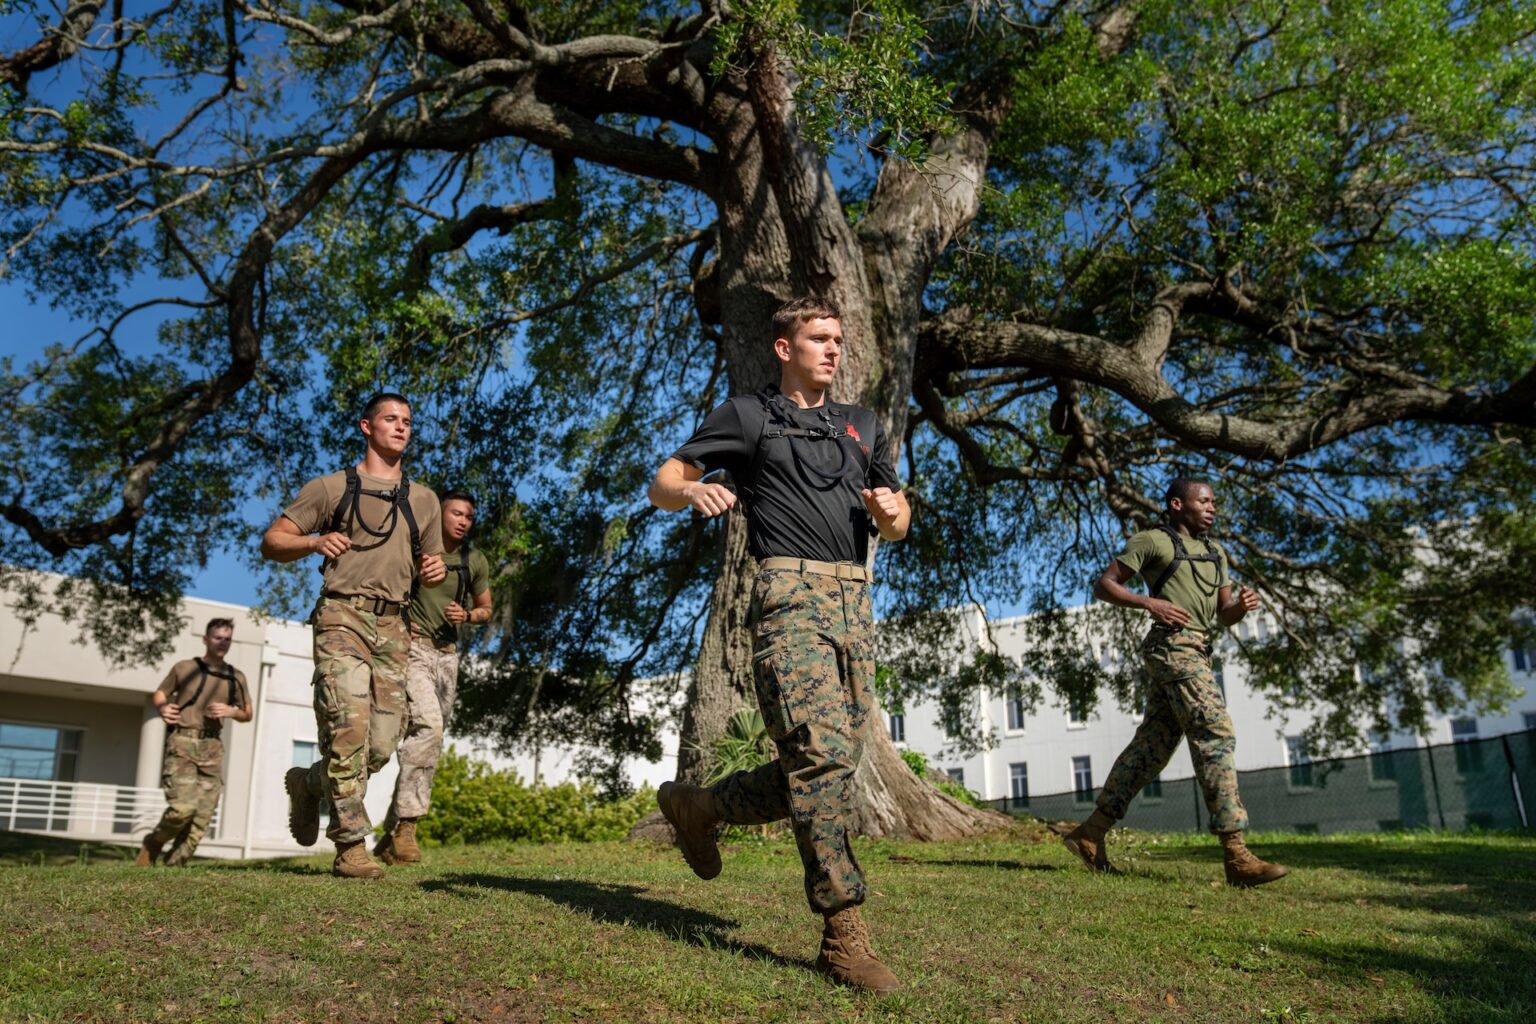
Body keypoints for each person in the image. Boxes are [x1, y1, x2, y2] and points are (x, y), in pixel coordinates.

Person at [647, 296, 911, 992]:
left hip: (854, 600)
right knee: (820, 758)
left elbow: (898, 516)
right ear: (784, 347)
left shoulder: (861, 425)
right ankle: (843, 931)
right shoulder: (748, 415)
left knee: (828, 762)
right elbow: (663, 481)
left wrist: (891, 511)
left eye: (838, 340)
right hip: (787, 594)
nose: (833, 350)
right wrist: (694, 491)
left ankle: (699, 807)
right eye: (819, 338)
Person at [1063, 477, 1288, 887]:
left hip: (1199, 648)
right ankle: (1236, 854)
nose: (1212, 508)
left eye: (1214, 502)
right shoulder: (1152, 541)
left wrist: (1241, 606)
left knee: (1153, 747)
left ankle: (1091, 833)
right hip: (1171, 648)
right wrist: (1149, 602)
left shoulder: (1217, 552)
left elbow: (1223, 614)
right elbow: (1104, 584)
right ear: (1177, 504)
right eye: (1203, 501)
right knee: (1214, 730)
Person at [261, 392, 446, 879]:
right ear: (366, 427)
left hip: (395, 624)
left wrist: (432, 568)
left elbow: (432, 565)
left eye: (408, 420)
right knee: (348, 728)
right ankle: (350, 846)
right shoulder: (330, 488)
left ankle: (308, 783)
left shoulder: (425, 500)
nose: (402, 427)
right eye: (391, 419)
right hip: (343, 616)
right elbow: (273, 541)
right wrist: (314, 540)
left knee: (381, 746)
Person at [375, 489, 493, 865]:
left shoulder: (474, 560)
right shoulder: (414, 550)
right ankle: (408, 826)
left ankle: (392, 833)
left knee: (427, 742)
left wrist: (469, 617)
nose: (462, 520)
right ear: (438, 514)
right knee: (429, 729)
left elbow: (486, 608)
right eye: (456, 513)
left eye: (469, 516)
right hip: (412, 649)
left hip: (447, 657)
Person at [136, 618, 252, 866]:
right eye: (218, 638)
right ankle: (154, 842)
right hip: (183, 742)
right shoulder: (184, 668)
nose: (223, 643)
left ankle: (175, 865)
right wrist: (163, 707)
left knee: (203, 815)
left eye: (228, 639)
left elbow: (247, 713)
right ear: (205, 639)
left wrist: (231, 711)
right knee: (183, 808)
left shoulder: (236, 677)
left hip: (212, 748)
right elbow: (160, 693)